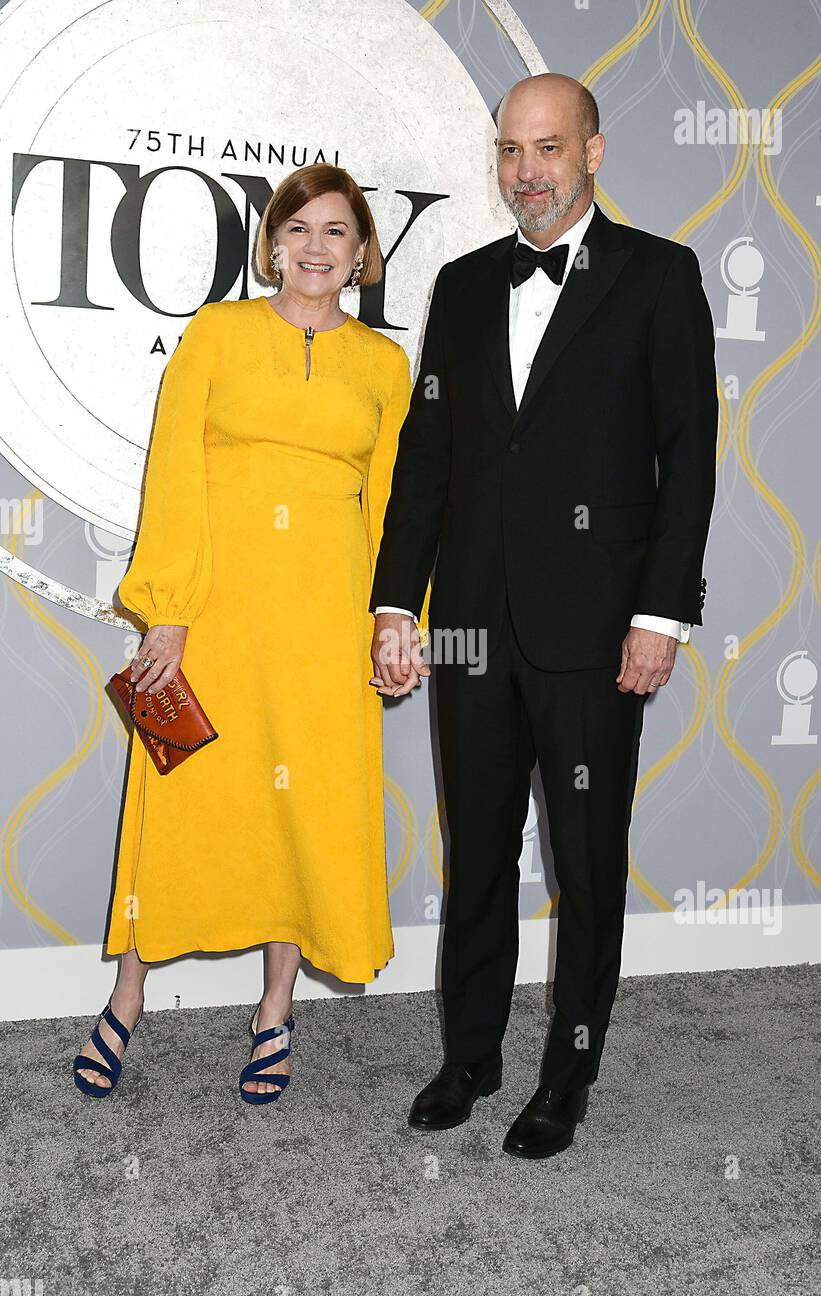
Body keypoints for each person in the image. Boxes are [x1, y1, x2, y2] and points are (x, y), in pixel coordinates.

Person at [370, 74, 717, 1158]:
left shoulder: (658, 276)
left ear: (592, 151)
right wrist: (394, 601)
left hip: (595, 626)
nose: (526, 169)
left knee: (584, 859)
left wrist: (660, 614)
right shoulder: (464, 286)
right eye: (510, 150)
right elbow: (426, 459)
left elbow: (688, 457)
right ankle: (469, 1057)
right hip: (469, 622)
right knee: (475, 851)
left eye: (547, 147)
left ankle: (566, 1073)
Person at [74, 163, 422, 1104]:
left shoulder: (386, 367)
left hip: (326, 617)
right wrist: (172, 608)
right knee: (180, 793)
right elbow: (174, 471)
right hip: (215, 612)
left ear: (362, 255)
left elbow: (394, 508)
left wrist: (397, 623)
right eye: (299, 228)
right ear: (271, 243)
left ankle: (277, 1007)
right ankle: (128, 996)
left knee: (301, 806)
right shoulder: (217, 335)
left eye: (337, 233)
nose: (316, 246)